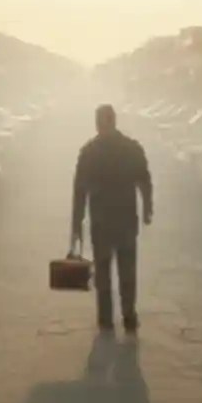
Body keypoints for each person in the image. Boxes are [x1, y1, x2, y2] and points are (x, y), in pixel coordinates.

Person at [72, 104, 153, 332]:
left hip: (101, 223)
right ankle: (128, 316)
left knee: (104, 273)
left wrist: (76, 224)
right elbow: (144, 180)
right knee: (127, 272)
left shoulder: (88, 152)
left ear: (98, 123)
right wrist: (147, 208)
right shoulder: (131, 148)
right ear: (115, 121)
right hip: (126, 220)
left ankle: (106, 319)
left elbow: (79, 190)